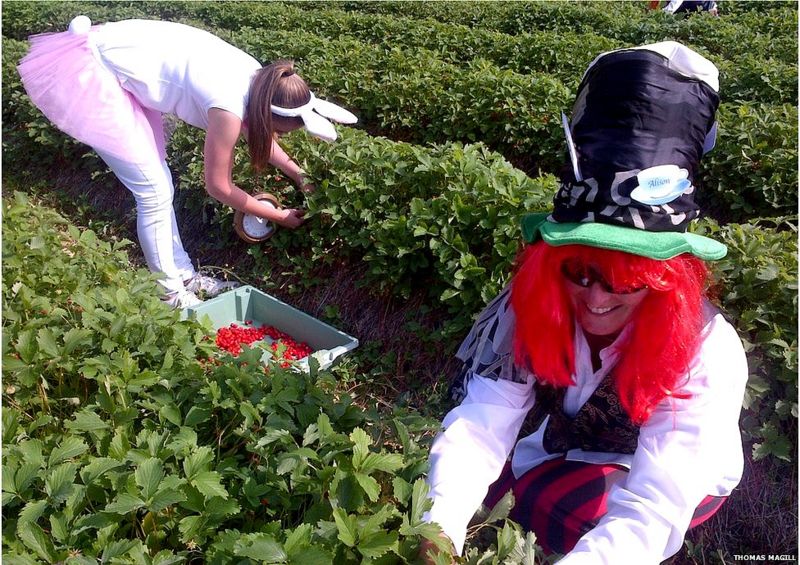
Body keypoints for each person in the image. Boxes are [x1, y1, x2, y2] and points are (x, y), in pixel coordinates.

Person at [419, 42, 748, 564]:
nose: (595, 298)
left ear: (663, 280)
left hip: (679, 467)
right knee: (484, 482)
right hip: (578, 438)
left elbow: (654, 503)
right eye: (580, 273)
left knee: (562, 507)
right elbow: (485, 418)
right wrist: (438, 531)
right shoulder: (533, 304)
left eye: (625, 282)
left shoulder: (706, 348)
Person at [17, 16, 357, 308]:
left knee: (159, 184)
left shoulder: (267, 81)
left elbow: (259, 132)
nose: (277, 137)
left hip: (126, 57)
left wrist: (299, 175)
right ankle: (169, 294)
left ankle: (183, 276)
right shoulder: (228, 106)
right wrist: (277, 216)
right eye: (278, 130)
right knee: (153, 191)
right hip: (99, 70)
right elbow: (218, 186)